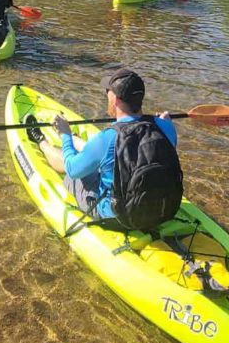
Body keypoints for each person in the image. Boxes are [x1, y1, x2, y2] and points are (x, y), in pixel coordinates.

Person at [29, 69, 180, 228]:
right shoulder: (165, 127)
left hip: (116, 216)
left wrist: (65, 135)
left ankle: (41, 143)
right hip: (160, 210)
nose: (106, 93)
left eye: (108, 91)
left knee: (72, 172)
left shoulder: (107, 138)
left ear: (115, 99)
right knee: (105, 160)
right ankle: (78, 142)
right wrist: (165, 122)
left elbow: (72, 169)